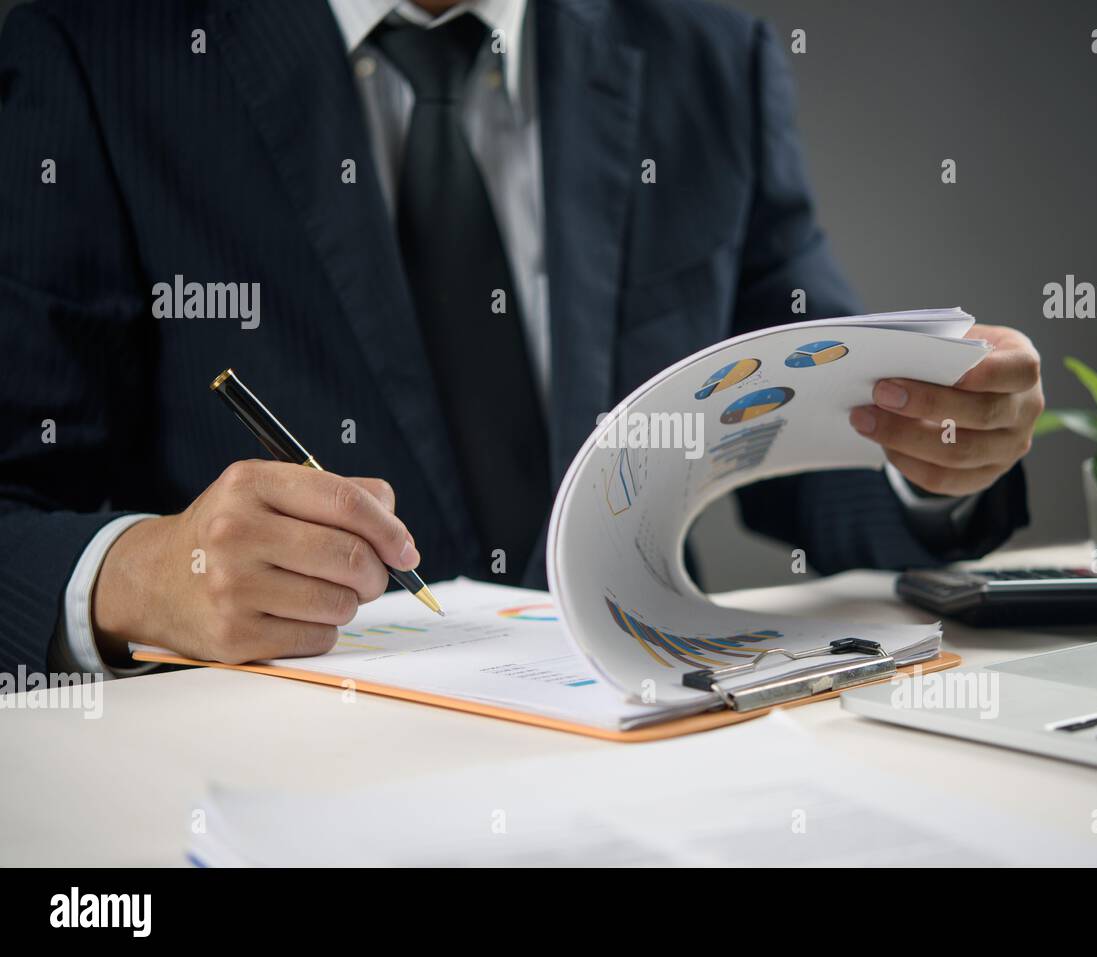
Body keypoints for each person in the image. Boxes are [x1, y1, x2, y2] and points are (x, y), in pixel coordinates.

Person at [0, 0, 1041, 677]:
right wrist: (145, 574)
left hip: (659, 745)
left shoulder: (705, 55)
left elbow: (798, 444)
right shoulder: (102, 49)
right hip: (288, 772)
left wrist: (934, 451)